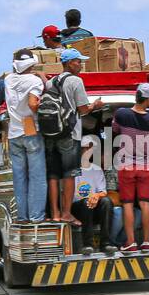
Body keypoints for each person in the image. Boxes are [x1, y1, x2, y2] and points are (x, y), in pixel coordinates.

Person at [41, 49, 103, 224]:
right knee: (69, 175)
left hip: (51, 133)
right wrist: (96, 105)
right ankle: (66, 213)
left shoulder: (51, 82)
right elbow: (83, 109)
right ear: (68, 63)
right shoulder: (76, 81)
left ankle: (55, 213)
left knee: (53, 175)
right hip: (69, 133)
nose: (80, 64)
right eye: (77, 61)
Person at [112, 81, 149, 252]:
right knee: (145, 204)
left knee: (127, 204)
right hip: (145, 168)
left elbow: (114, 129)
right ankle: (147, 241)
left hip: (126, 167)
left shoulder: (121, 114)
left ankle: (130, 242)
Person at [4, 49, 46, 221]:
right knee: (37, 177)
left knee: (19, 178)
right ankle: (36, 216)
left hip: (14, 133)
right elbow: (32, 104)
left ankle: (22, 216)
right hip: (31, 131)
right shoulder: (35, 81)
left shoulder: (8, 80)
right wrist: (40, 103)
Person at [71, 135, 115, 255]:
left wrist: (96, 196)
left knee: (107, 201)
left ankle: (106, 243)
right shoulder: (73, 169)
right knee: (86, 202)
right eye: (85, 148)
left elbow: (103, 191)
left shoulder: (96, 169)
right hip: (77, 208)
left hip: (93, 206)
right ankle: (87, 244)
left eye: (90, 148)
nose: (87, 151)